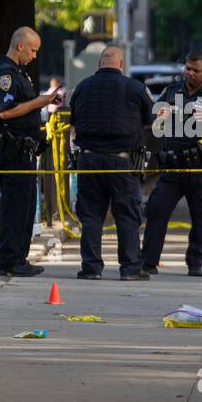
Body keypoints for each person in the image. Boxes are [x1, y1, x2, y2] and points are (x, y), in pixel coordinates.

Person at [141, 52, 202, 277]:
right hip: (173, 166)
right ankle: (148, 262)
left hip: (200, 167)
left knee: (201, 216)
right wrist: (158, 117)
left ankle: (195, 264)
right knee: (156, 211)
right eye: (187, 69)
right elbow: (151, 122)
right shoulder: (171, 92)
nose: (190, 73)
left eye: (196, 70)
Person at [66, 45, 153, 280]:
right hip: (122, 162)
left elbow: (73, 121)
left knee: (91, 215)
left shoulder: (82, 88)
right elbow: (149, 121)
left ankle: (91, 268)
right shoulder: (135, 88)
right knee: (127, 215)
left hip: (89, 159)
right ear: (121, 64)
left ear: (99, 64)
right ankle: (130, 268)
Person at [0, 27, 61, 277]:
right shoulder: (5, 75)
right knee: (15, 207)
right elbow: (5, 112)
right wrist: (39, 101)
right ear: (20, 46)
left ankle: (19, 257)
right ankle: (9, 260)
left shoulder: (20, 74)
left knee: (26, 207)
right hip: (14, 151)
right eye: (32, 50)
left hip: (26, 150)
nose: (34, 56)